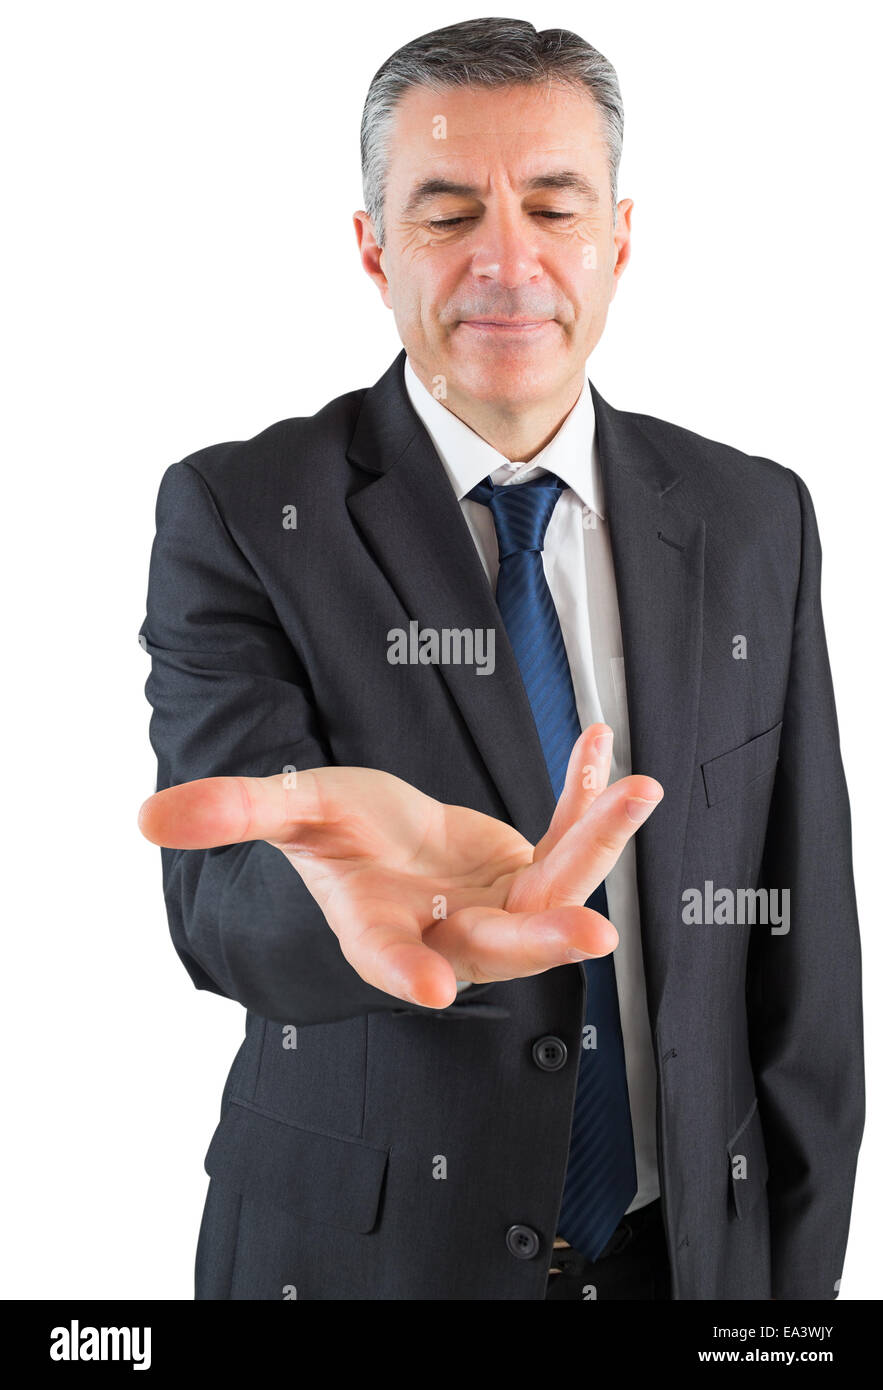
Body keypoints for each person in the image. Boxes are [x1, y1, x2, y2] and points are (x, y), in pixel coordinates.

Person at [137, 17, 864, 1300]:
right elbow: (219, 901)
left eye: (551, 205)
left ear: (619, 238)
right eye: (447, 211)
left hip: (687, 1262)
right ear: (371, 247)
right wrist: (343, 904)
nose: (507, 260)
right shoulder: (245, 510)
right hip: (364, 1267)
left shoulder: (757, 518)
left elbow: (801, 953)